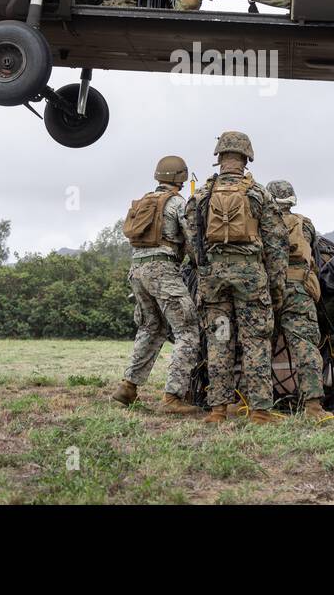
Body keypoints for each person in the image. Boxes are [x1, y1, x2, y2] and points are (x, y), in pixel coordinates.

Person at [183, 131, 289, 424]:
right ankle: (259, 411)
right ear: (246, 157)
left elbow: (191, 241)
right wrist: (276, 285)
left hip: (213, 278)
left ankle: (218, 410)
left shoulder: (202, 194)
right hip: (250, 277)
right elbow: (277, 244)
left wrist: (205, 268)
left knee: (219, 340)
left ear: (219, 157)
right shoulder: (259, 193)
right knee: (255, 340)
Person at [111, 156, 201, 415]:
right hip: (163, 271)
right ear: (181, 179)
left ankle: (128, 387)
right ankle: (173, 397)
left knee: (152, 327)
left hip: (136, 271)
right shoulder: (177, 204)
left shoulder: (143, 202)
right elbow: (193, 241)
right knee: (188, 329)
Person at [266, 180, 328, 418]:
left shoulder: (261, 222)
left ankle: (255, 404)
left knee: (257, 347)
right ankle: (312, 406)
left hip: (266, 290)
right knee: (305, 346)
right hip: (298, 289)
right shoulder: (306, 225)